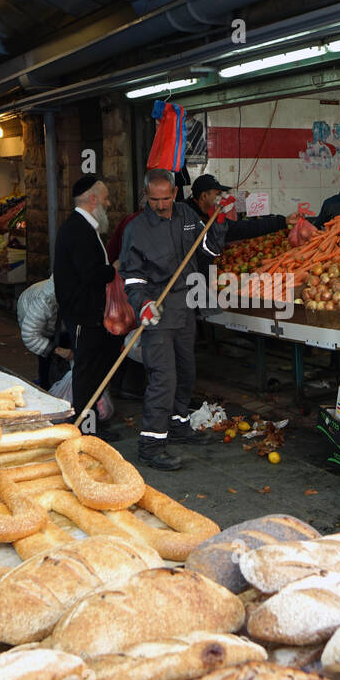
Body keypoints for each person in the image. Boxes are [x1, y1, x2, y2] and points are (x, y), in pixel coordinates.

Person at [119, 167, 228, 471]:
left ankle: (178, 424)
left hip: (185, 308)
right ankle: (151, 445)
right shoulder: (136, 230)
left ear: (175, 193)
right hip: (158, 312)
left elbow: (208, 249)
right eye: (154, 200)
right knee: (163, 378)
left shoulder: (186, 215)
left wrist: (219, 220)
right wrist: (143, 304)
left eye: (166, 198)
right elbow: (132, 278)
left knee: (185, 371)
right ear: (146, 195)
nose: (161, 205)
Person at [53, 175, 118, 428]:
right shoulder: (78, 230)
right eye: (105, 198)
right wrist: (113, 270)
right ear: (93, 200)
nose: (108, 204)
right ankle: (85, 427)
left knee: (92, 369)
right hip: (82, 313)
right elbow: (90, 273)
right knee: (86, 371)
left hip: (89, 312)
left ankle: (92, 422)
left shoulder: (82, 227)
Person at [188, 173, 299, 242]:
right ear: (204, 196)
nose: (221, 197)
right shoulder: (187, 216)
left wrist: (283, 221)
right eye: (218, 194)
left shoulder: (212, 215)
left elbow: (243, 228)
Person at [16, 276, 73, 390]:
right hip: (35, 323)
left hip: (59, 320)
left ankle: (64, 386)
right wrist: (58, 350)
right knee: (46, 357)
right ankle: (47, 389)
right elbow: (30, 336)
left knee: (67, 345)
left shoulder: (76, 290)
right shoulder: (43, 301)